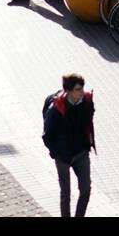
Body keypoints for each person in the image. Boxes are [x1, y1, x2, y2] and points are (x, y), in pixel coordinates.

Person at [42, 73, 95, 218]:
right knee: (66, 193)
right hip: (63, 156)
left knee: (85, 189)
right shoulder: (56, 109)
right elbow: (47, 135)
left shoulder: (87, 101)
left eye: (82, 88)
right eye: (78, 89)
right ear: (68, 91)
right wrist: (56, 153)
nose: (82, 91)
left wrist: (87, 144)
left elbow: (89, 122)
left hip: (81, 153)